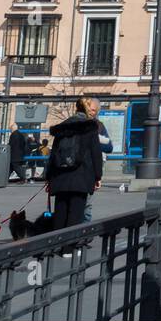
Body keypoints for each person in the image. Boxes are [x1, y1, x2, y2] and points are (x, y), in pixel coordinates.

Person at [46, 99, 104, 232]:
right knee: (75, 214)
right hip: (81, 177)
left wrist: (49, 178)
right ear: (87, 109)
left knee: (60, 213)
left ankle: (55, 244)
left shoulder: (62, 127)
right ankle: (68, 248)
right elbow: (96, 154)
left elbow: (53, 154)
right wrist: (98, 176)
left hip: (60, 177)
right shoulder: (90, 127)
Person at [81, 97, 112, 223]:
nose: (91, 112)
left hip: (88, 170)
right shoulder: (97, 126)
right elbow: (108, 146)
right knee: (85, 206)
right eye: (90, 109)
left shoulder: (98, 126)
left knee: (85, 204)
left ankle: (80, 234)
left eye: (94, 110)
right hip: (85, 170)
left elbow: (108, 146)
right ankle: (82, 234)